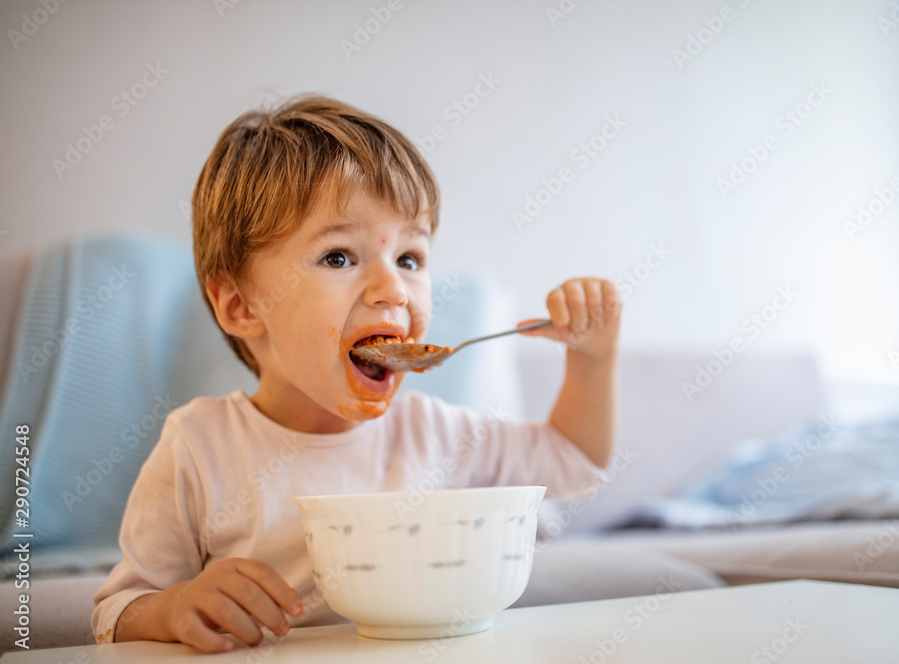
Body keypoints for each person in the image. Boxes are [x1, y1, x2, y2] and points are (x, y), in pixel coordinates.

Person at [91, 95, 621, 653]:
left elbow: (572, 461)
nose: (393, 289)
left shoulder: (438, 435)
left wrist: (593, 358)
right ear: (241, 305)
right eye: (339, 257)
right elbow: (115, 612)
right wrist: (174, 608)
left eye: (409, 259)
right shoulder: (199, 449)